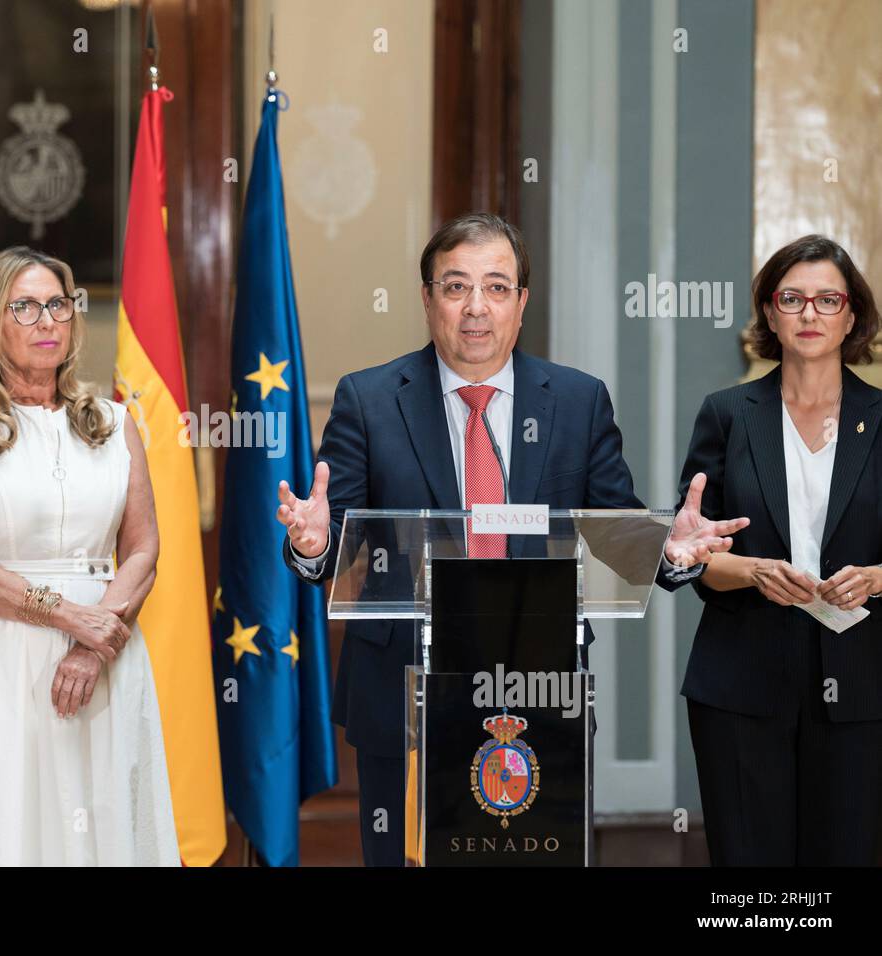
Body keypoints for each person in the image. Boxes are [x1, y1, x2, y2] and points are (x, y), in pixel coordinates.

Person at [275, 212, 748, 866]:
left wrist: (666, 548)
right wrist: (313, 543)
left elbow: (615, 528)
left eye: (497, 287)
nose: (476, 308)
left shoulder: (578, 401)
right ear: (427, 298)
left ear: (521, 302)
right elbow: (339, 546)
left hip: (540, 686)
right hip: (405, 686)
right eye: (455, 287)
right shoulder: (369, 398)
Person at [0, 246, 178, 865]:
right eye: (24, 307)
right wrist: (65, 618)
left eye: (58, 304)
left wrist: (94, 640)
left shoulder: (116, 424)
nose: (48, 320)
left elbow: (143, 549)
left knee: (102, 815)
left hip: (106, 651)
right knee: (8, 820)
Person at [675, 235, 882, 865]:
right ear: (769, 312)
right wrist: (751, 570)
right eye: (792, 298)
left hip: (863, 680)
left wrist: (876, 577)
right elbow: (696, 553)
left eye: (828, 299)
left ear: (852, 316)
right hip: (742, 680)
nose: (810, 314)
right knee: (751, 875)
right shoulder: (728, 413)